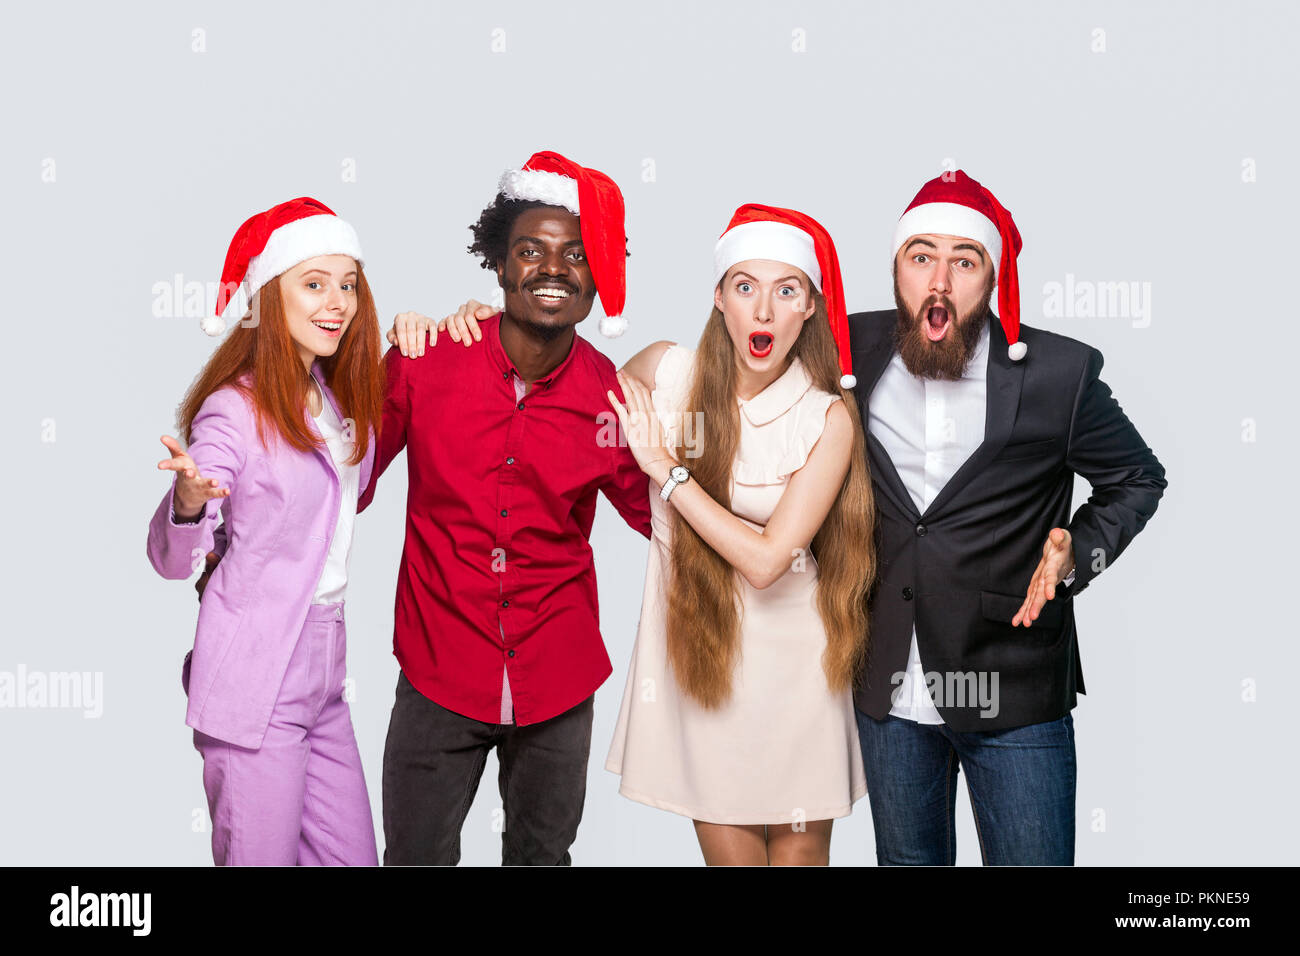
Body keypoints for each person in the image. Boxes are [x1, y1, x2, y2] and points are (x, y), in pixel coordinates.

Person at [409, 205, 877, 866]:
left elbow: (769, 561)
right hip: (706, 667)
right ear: (719, 299)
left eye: (787, 290)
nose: (764, 311)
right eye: (746, 287)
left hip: (799, 679)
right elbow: (560, 393)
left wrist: (668, 472)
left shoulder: (828, 419)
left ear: (810, 308)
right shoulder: (665, 374)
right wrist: (488, 323)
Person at [846, 170, 1168, 865]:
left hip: (1014, 689)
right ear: (896, 269)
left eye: (964, 260)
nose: (940, 281)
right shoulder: (846, 352)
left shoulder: (1059, 374)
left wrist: (1077, 554)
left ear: (992, 277)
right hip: (888, 690)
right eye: (921, 255)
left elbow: (1139, 478)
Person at [367, 151, 652, 866]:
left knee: (541, 860)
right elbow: (341, 479)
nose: (553, 269)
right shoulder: (425, 361)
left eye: (576, 255)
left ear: (598, 278)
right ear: (498, 264)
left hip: (557, 677)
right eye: (531, 250)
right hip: (439, 669)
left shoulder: (609, 396)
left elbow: (663, 519)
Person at [146, 197, 385, 865]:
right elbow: (171, 557)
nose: (337, 301)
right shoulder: (233, 409)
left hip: (326, 674)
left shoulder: (334, 399)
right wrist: (191, 500)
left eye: (347, 284)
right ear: (268, 298)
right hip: (258, 675)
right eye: (314, 284)